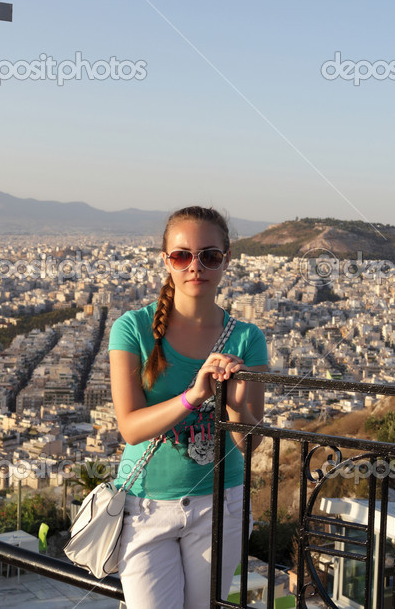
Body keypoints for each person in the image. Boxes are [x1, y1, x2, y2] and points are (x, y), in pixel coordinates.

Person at [109, 206, 268, 609]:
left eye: (209, 256)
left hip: (221, 505)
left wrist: (233, 407)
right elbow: (129, 428)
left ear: (226, 260)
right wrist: (193, 397)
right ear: (166, 261)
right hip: (144, 505)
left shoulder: (248, 339)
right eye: (182, 255)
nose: (195, 266)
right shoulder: (133, 329)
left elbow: (250, 446)